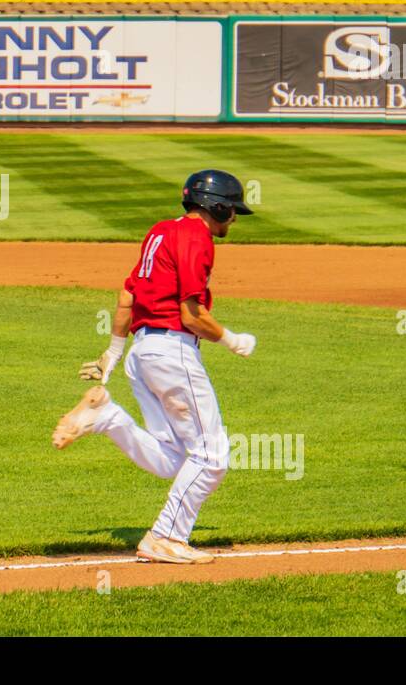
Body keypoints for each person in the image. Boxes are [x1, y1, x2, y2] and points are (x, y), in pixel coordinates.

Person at [52, 170, 257, 565]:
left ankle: (107, 417)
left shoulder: (160, 231)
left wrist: (111, 352)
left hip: (141, 355)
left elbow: (128, 294)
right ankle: (165, 536)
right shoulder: (198, 240)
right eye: (231, 210)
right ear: (215, 206)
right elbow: (192, 315)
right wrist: (233, 340)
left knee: (174, 459)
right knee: (212, 457)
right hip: (171, 352)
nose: (233, 219)